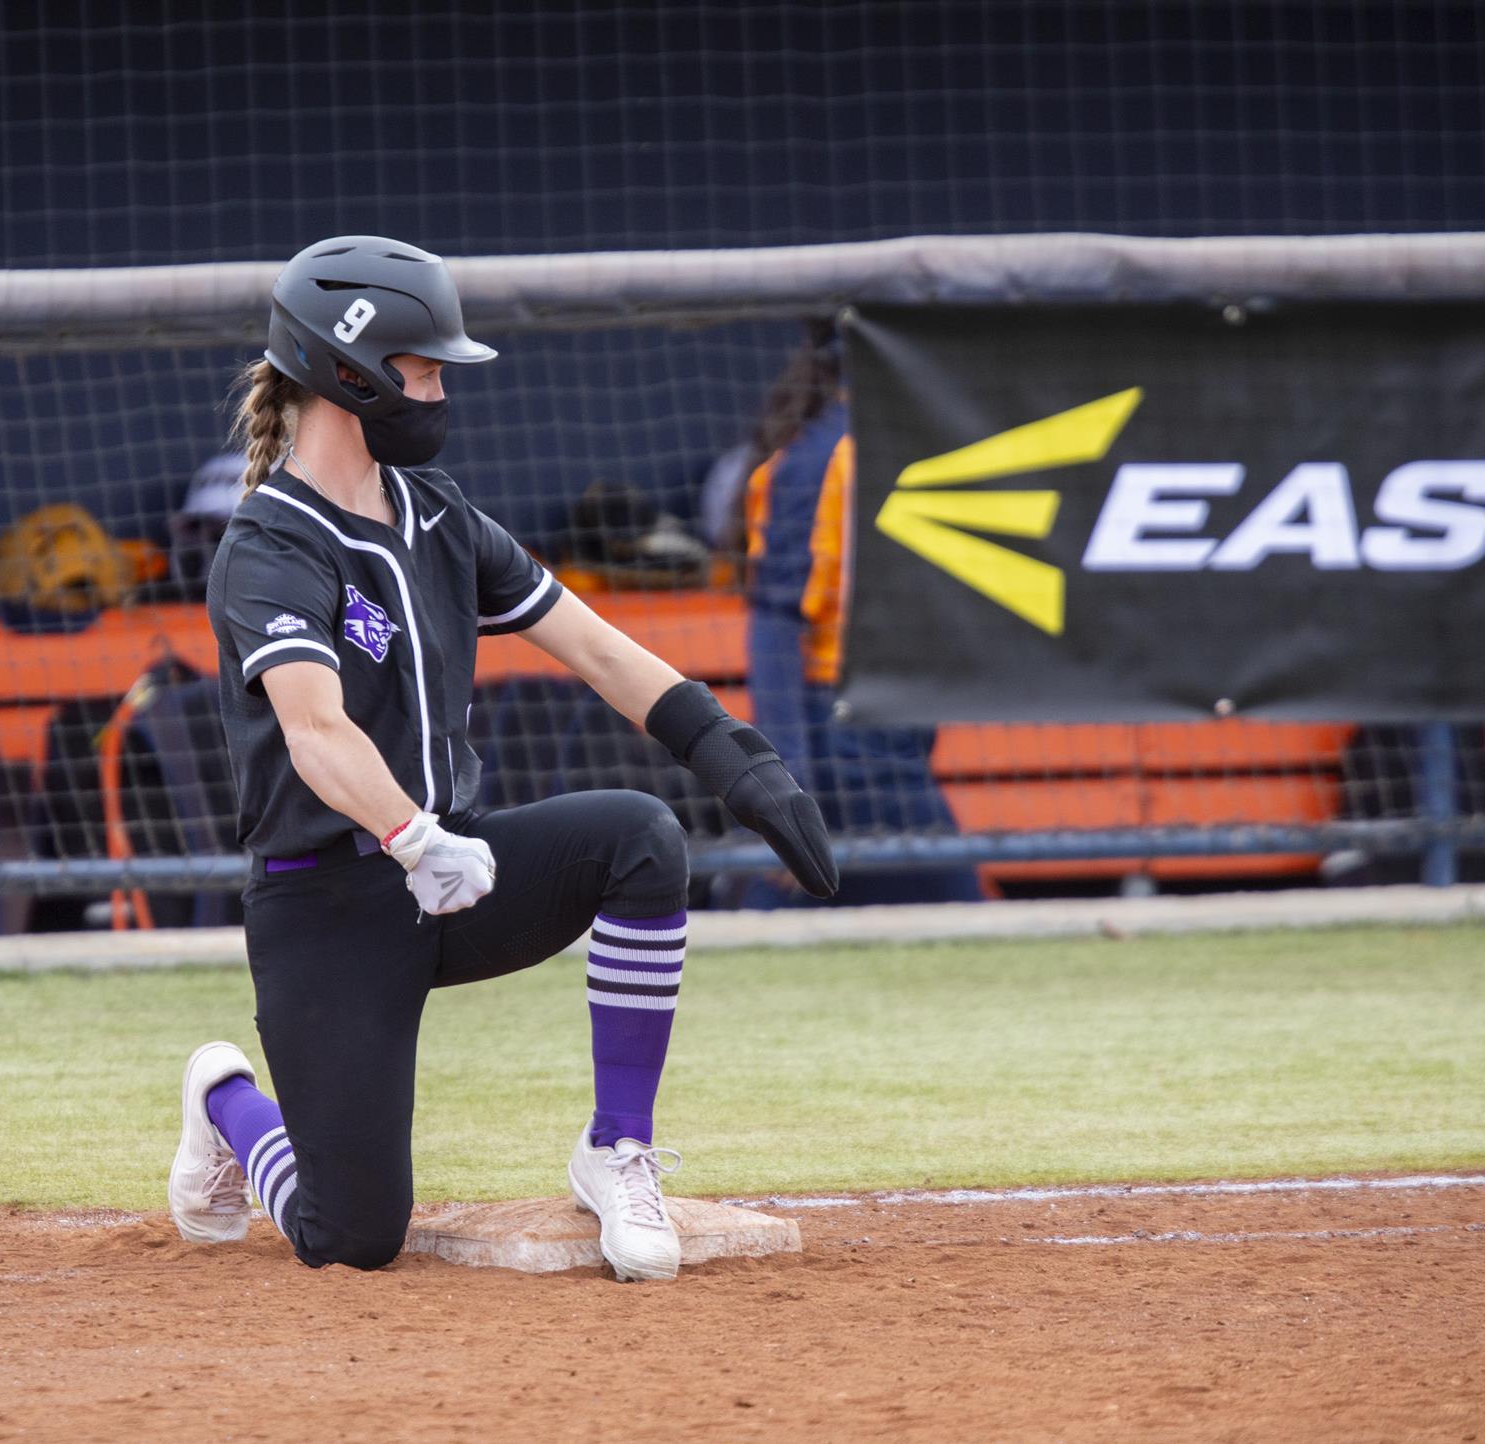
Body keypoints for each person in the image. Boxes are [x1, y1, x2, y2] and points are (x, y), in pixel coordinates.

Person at [167, 236, 837, 1283]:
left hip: (457, 873)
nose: (439, 389)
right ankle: (228, 1104)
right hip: (330, 900)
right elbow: (315, 731)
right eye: (422, 368)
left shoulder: (436, 510)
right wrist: (412, 838)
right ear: (349, 373)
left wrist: (737, 759)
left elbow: (595, 648)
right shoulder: (269, 546)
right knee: (352, 1237)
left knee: (639, 838)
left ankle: (616, 1147)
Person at [743, 320, 983, 905]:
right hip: (841, 734)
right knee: (958, 912)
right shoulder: (826, 456)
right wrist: (785, 779)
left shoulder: (898, 441)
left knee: (804, 912)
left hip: (884, 725)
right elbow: (775, 623)